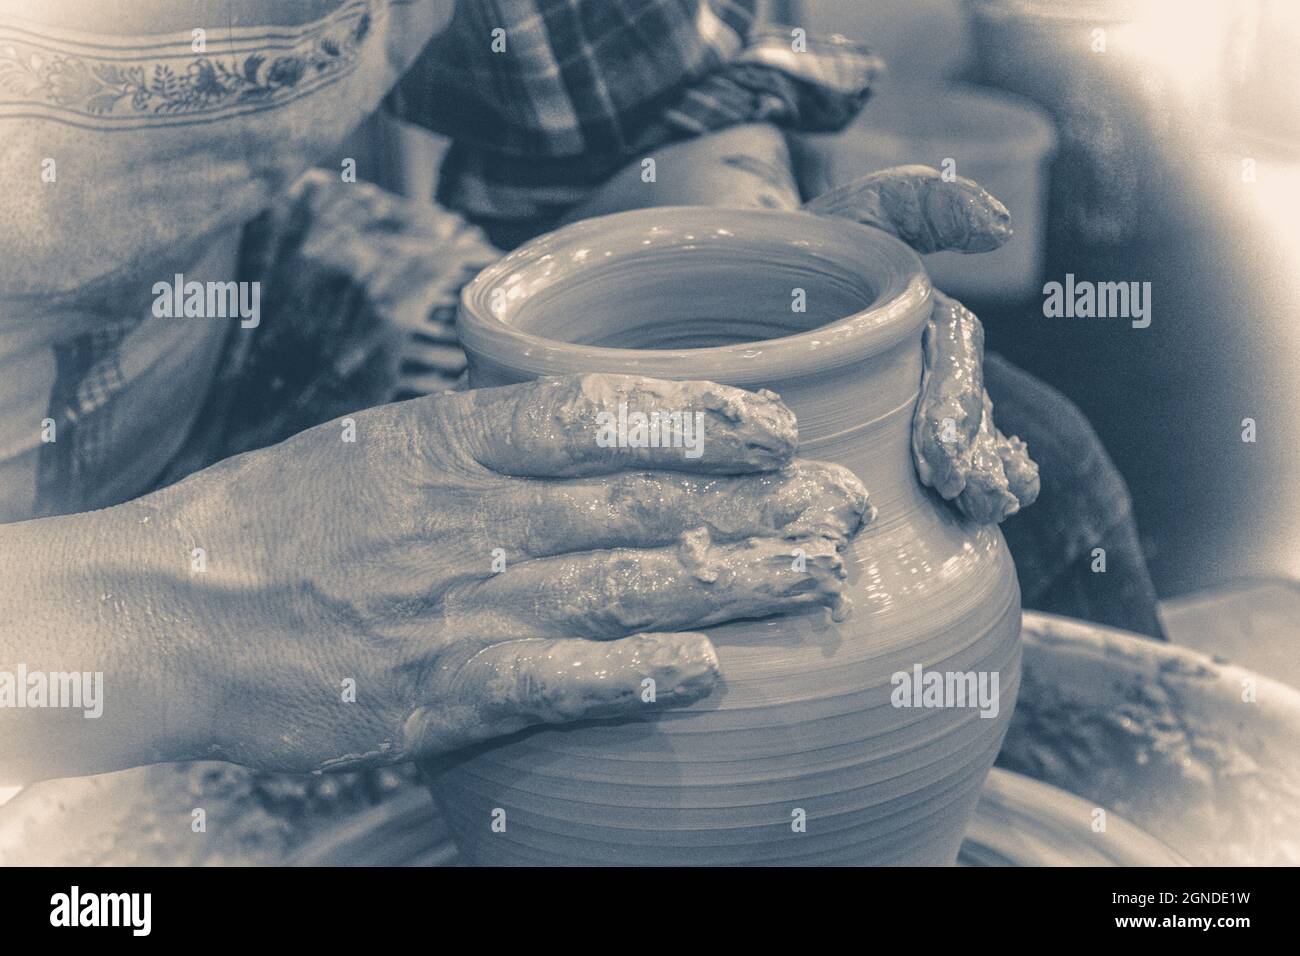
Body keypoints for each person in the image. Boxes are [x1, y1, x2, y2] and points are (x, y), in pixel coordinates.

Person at [0, 0, 1159, 787]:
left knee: (1010, 487)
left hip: (204, 331)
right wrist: (195, 618)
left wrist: (743, 293)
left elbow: (637, 105)